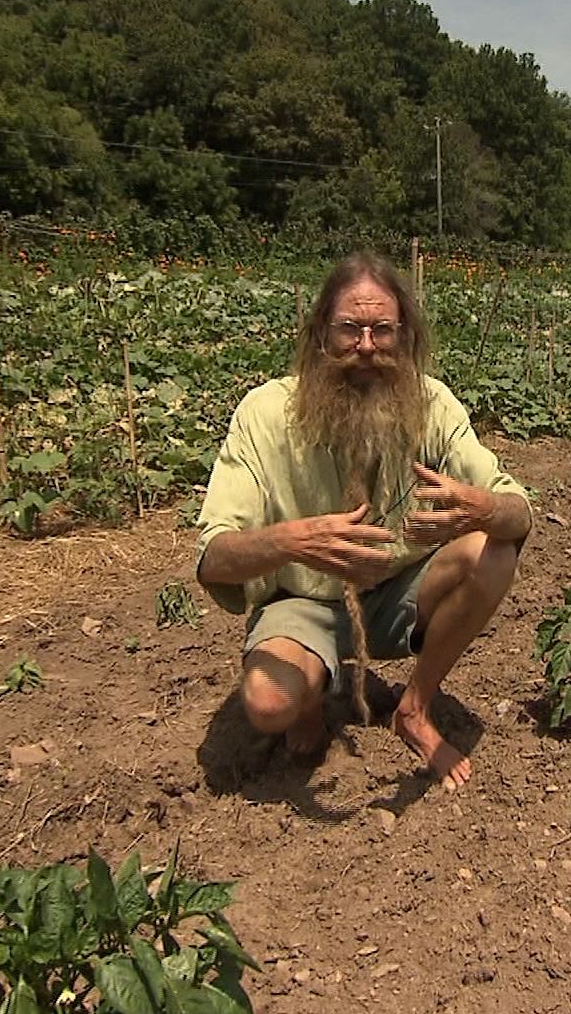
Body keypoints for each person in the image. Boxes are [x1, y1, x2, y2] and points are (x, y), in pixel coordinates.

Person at [195, 251, 530, 792]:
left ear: (406, 335)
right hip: (302, 600)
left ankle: (413, 708)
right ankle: (311, 695)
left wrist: (483, 508)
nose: (367, 346)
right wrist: (295, 541)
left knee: (491, 550)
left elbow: (517, 511)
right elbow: (213, 558)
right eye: (350, 329)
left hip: (400, 591)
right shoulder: (264, 414)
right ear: (320, 335)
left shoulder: (432, 406)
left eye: (382, 330)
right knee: (270, 704)